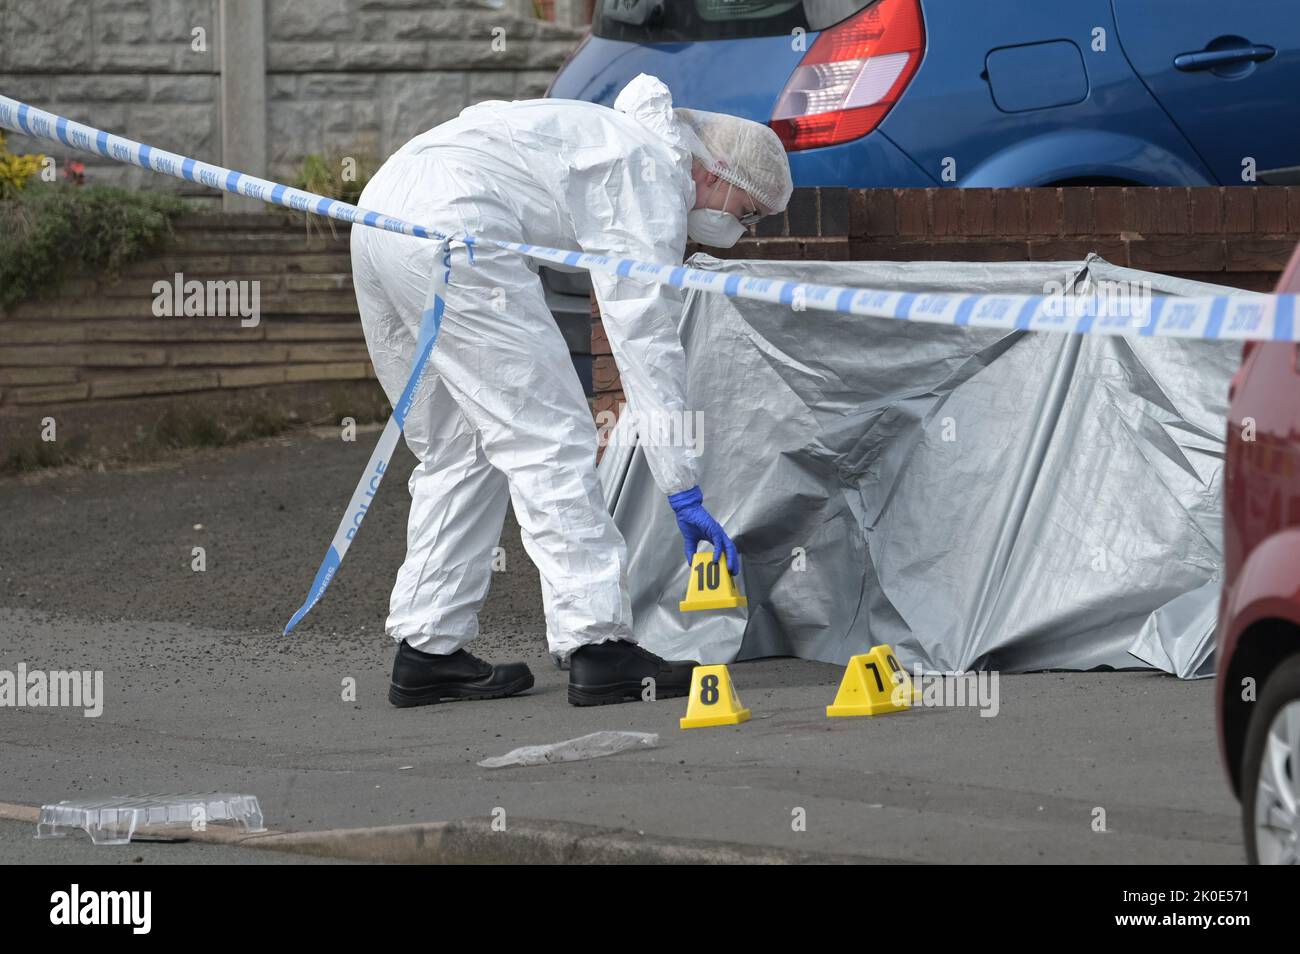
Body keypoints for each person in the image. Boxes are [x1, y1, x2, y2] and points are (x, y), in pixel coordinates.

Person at [351, 73, 793, 708]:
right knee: (551, 439)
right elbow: (645, 337)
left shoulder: (606, 137)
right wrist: (682, 486)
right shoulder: (649, 174)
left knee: (460, 446)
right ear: (714, 172)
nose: (740, 230)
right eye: (748, 213)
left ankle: (428, 650)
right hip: (455, 231)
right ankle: (599, 647)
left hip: (380, 215)